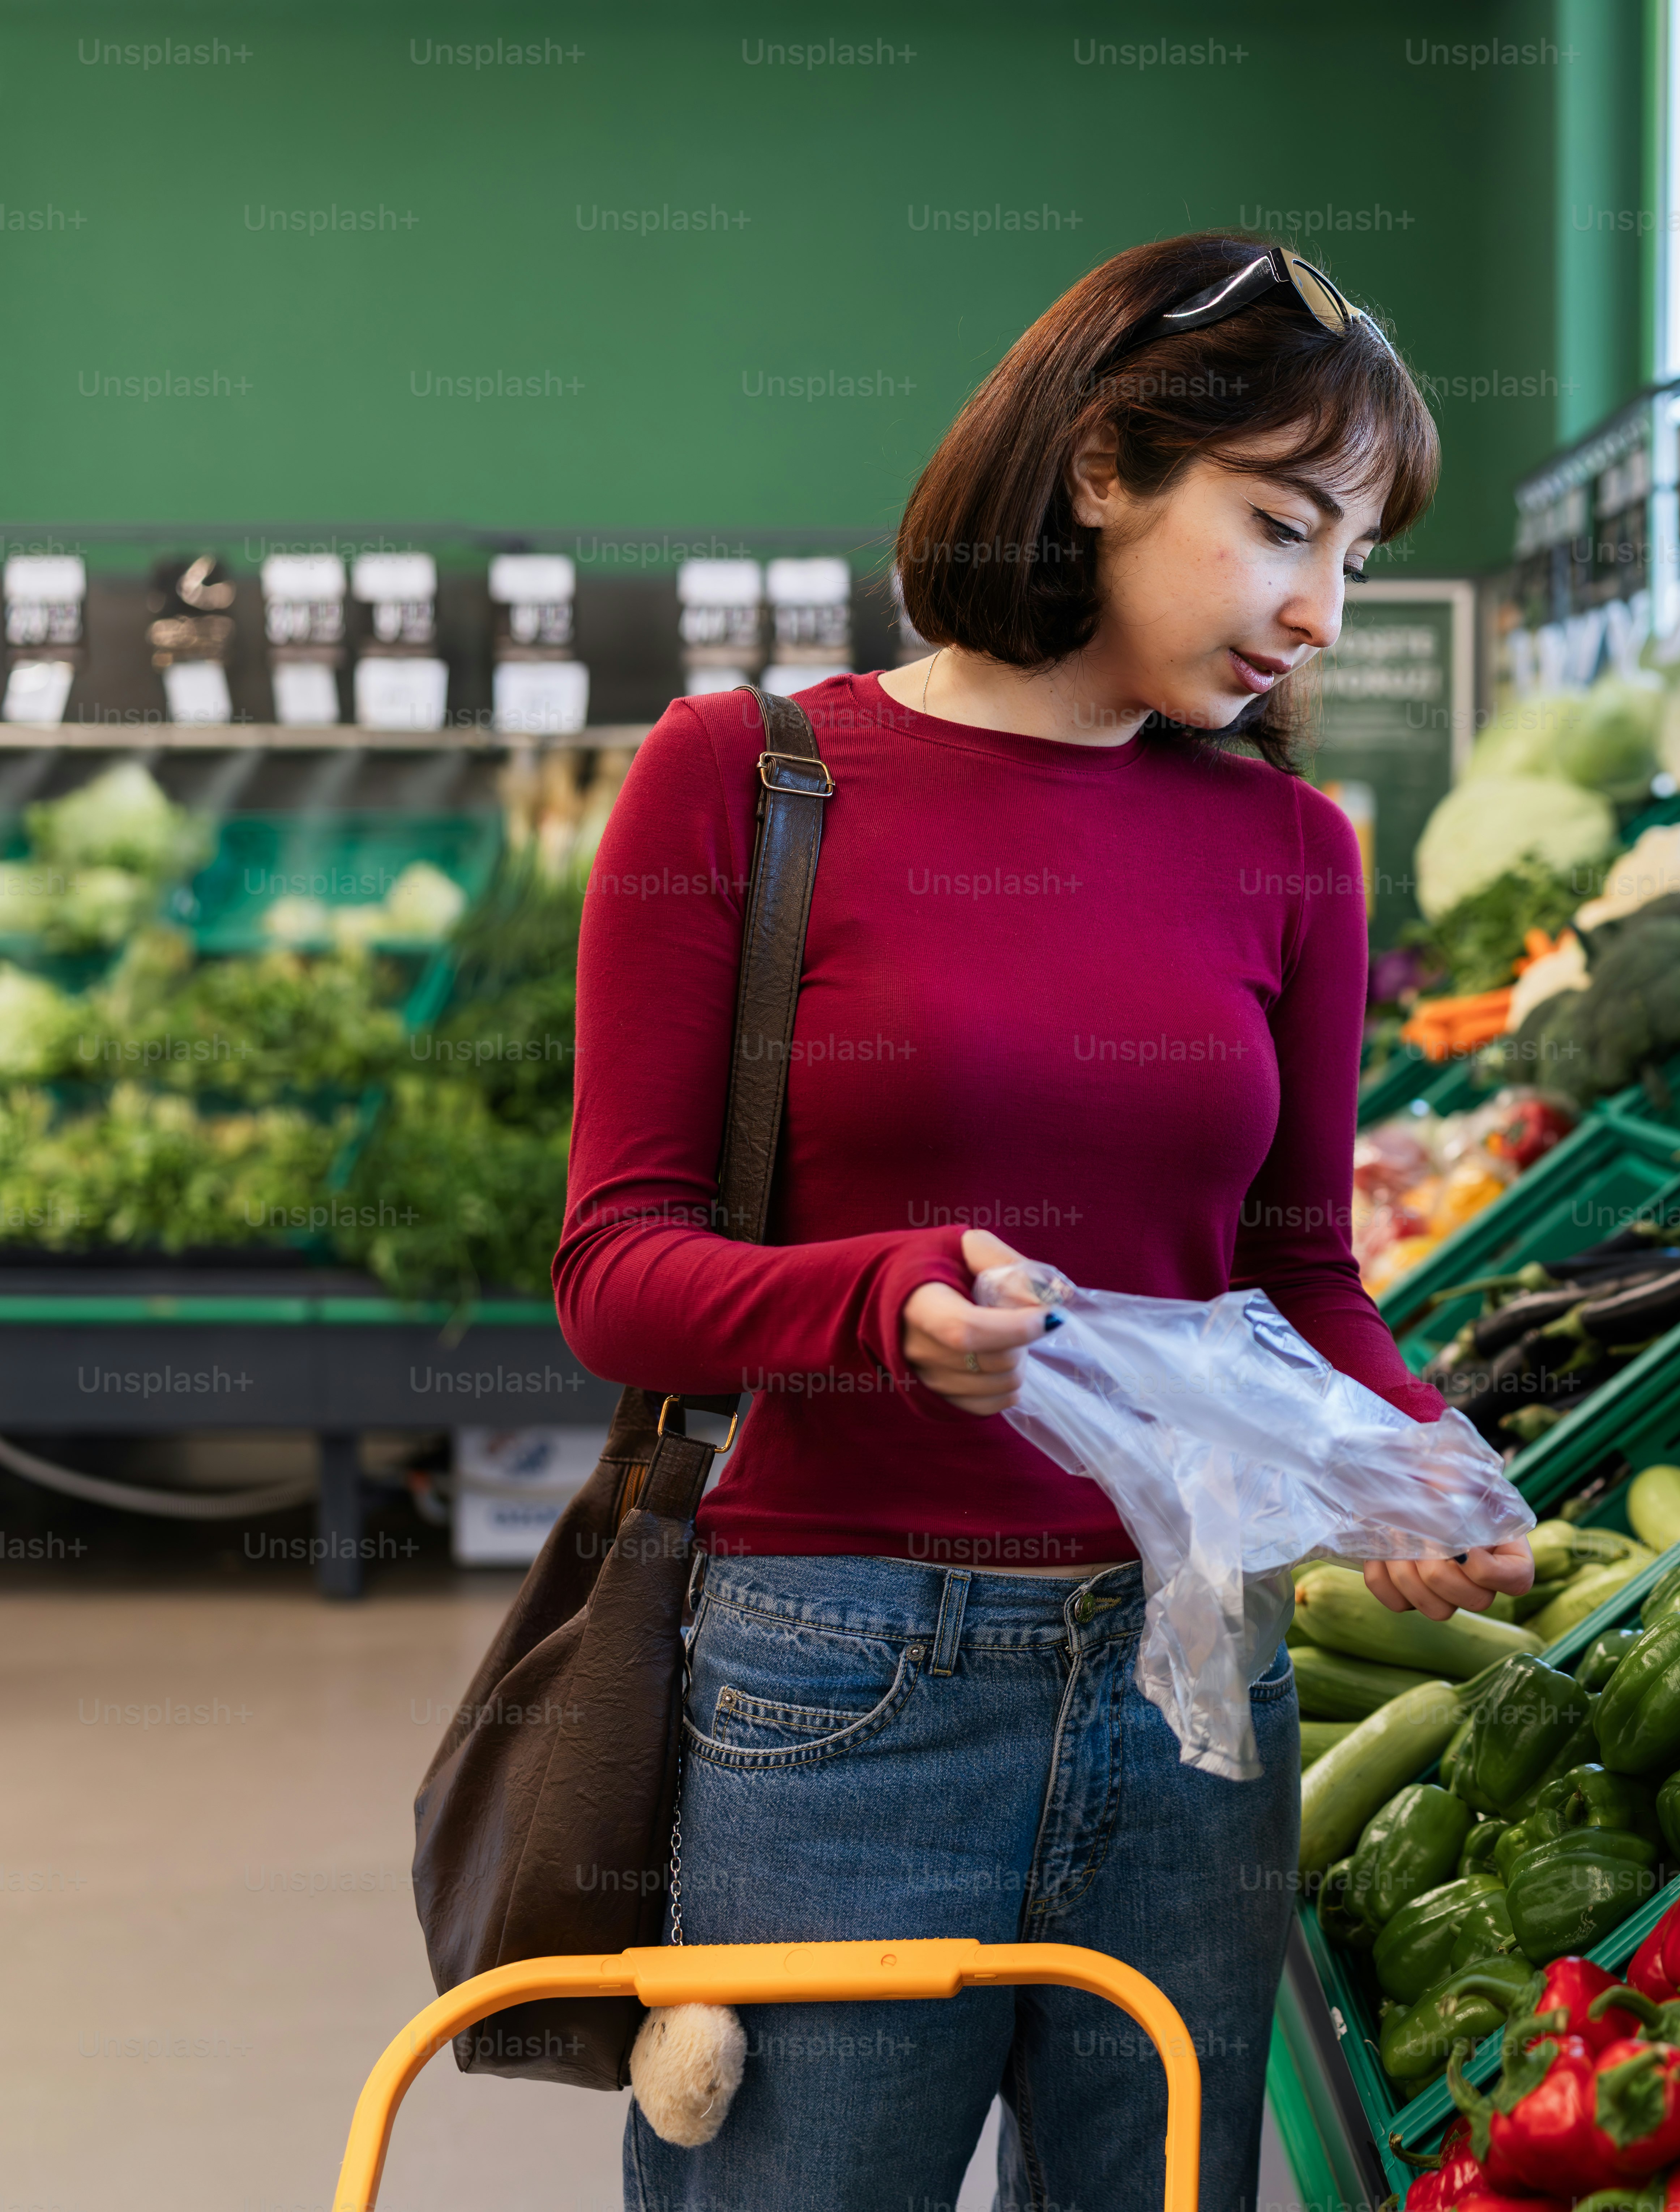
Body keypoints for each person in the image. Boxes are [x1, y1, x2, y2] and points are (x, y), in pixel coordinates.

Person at [557, 231, 1532, 2212]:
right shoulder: (750, 779)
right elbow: (617, 1271)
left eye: (1354, 557)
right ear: (1103, 467)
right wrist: (882, 1301)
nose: (1320, 611)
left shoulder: (1290, 847)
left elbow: (1297, 1278)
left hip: (1197, 1695)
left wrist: (1413, 1454)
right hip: (843, 1682)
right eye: (1281, 527)